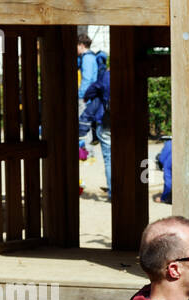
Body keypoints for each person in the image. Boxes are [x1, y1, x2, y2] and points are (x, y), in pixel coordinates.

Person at [77, 34, 111, 197]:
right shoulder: (94, 59)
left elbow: (88, 80)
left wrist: (82, 95)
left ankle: (86, 153)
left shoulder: (88, 59)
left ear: (80, 45)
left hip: (88, 98)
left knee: (84, 126)